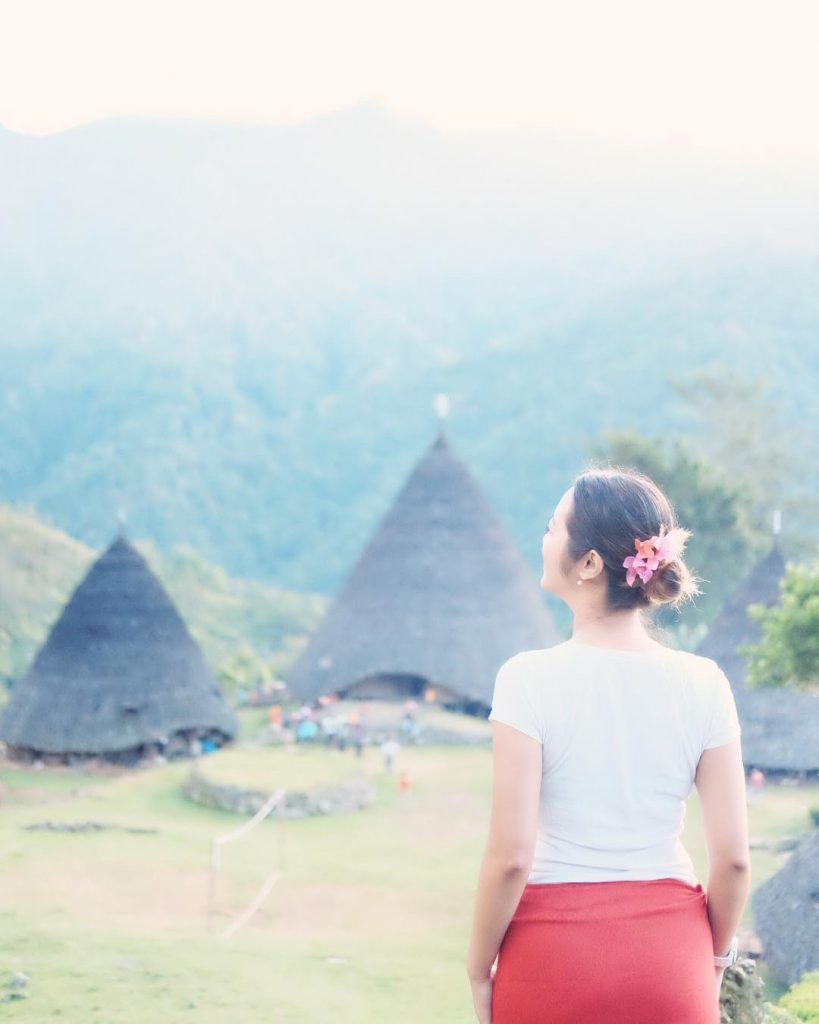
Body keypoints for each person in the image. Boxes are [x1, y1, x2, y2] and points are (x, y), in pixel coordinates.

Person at [466, 467, 750, 1024]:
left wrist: (479, 969)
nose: (544, 541)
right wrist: (712, 960)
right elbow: (735, 860)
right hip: (671, 958)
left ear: (590, 563)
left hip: (552, 958)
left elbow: (511, 858)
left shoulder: (527, 679)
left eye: (552, 529)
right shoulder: (705, 683)